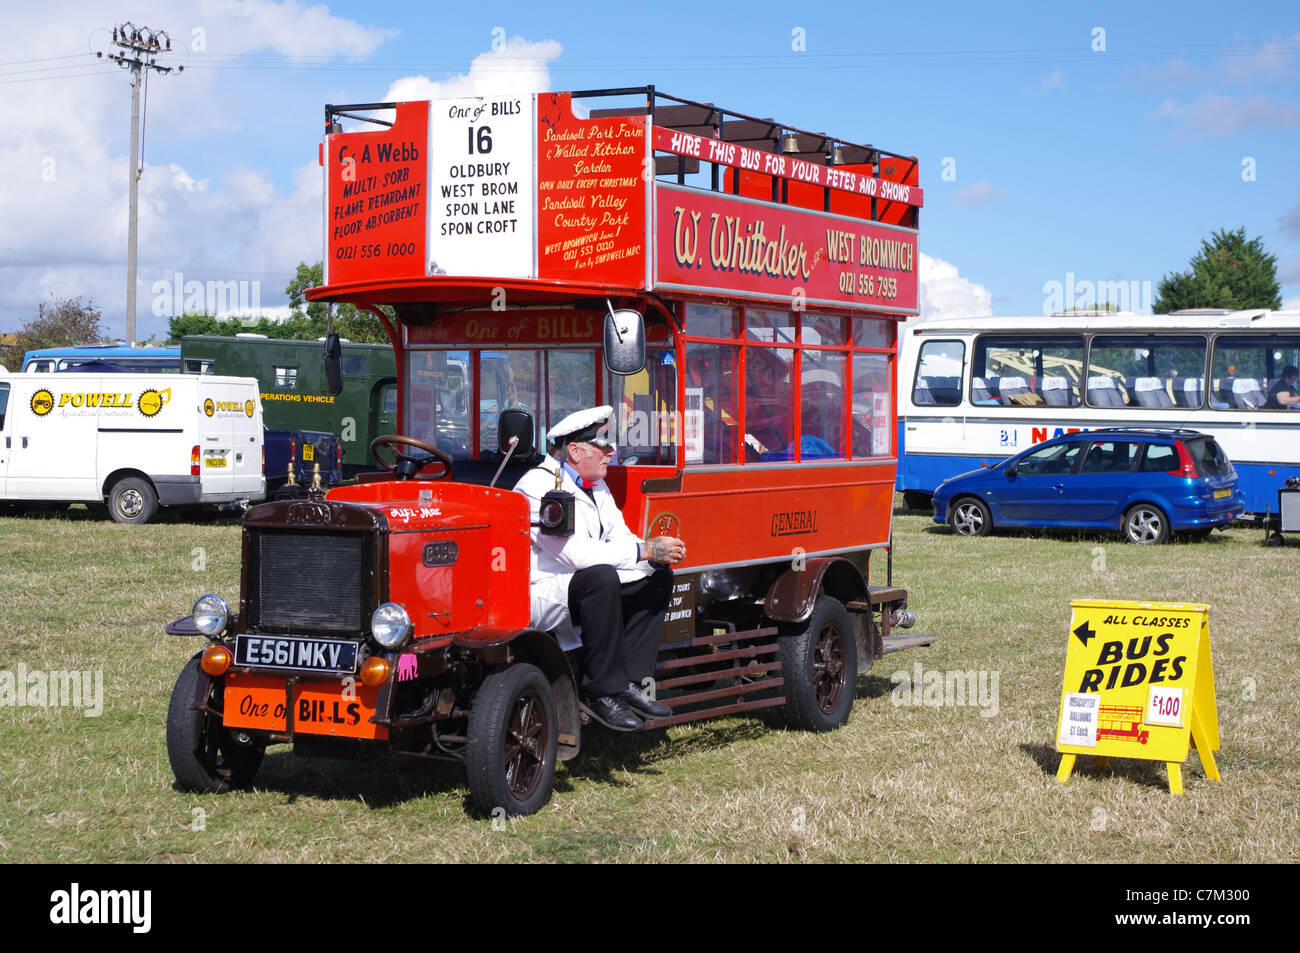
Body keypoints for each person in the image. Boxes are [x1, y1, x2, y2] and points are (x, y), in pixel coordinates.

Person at [514, 406, 687, 731]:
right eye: (603, 444)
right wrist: (644, 549)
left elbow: (619, 535)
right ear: (576, 450)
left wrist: (652, 556)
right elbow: (576, 556)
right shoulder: (539, 487)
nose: (612, 451)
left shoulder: (593, 484)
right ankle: (601, 691)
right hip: (540, 593)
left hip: (581, 586)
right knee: (602, 576)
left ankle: (629, 682)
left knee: (656, 575)